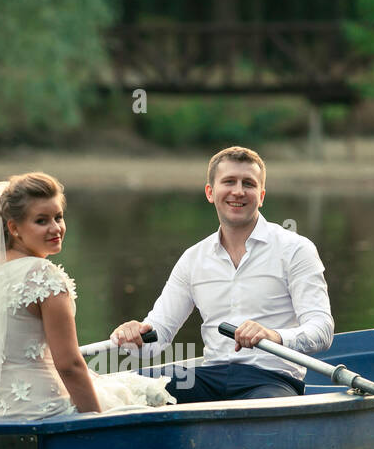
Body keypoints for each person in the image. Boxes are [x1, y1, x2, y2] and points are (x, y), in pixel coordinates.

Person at [0, 173, 174, 419]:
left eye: (58, 217)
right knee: (146, 396)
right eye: (42, 221)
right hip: (42, 410)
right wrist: (97, 421)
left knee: (120, 386)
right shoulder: (45, 277)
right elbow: (70, 365)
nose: (55, 228)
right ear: (14, 228)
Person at [112, 146, 334, 402]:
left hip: (270, 379)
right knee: (130, 392)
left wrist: (273, 336)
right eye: (229, 181)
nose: (238, 191)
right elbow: (158, 334)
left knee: (260, 412)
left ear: (261, 196)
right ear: (210, 192)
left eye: (248, 184)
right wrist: (132, 337)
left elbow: (322, 330)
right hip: (210, 377)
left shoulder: (296, 249)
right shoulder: (193, 259)